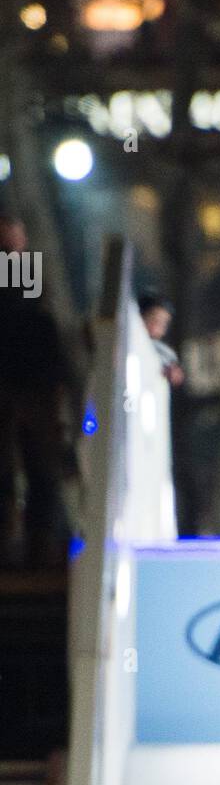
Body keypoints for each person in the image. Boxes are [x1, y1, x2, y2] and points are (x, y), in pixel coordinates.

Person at [0, 212, 72, 565]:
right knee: (29, 465)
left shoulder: (25, 272)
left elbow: (27, 309)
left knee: (40, 465)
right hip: (25, 378)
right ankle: (32, 542)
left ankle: (39, 542)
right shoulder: (20, 273)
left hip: (32, 379)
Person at [137, 292, 185, 387]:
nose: (156, 327)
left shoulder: (165, 353)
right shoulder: (131, 333)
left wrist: (171, 371)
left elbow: (168, 364)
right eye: (153, 319)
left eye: (163, 324)